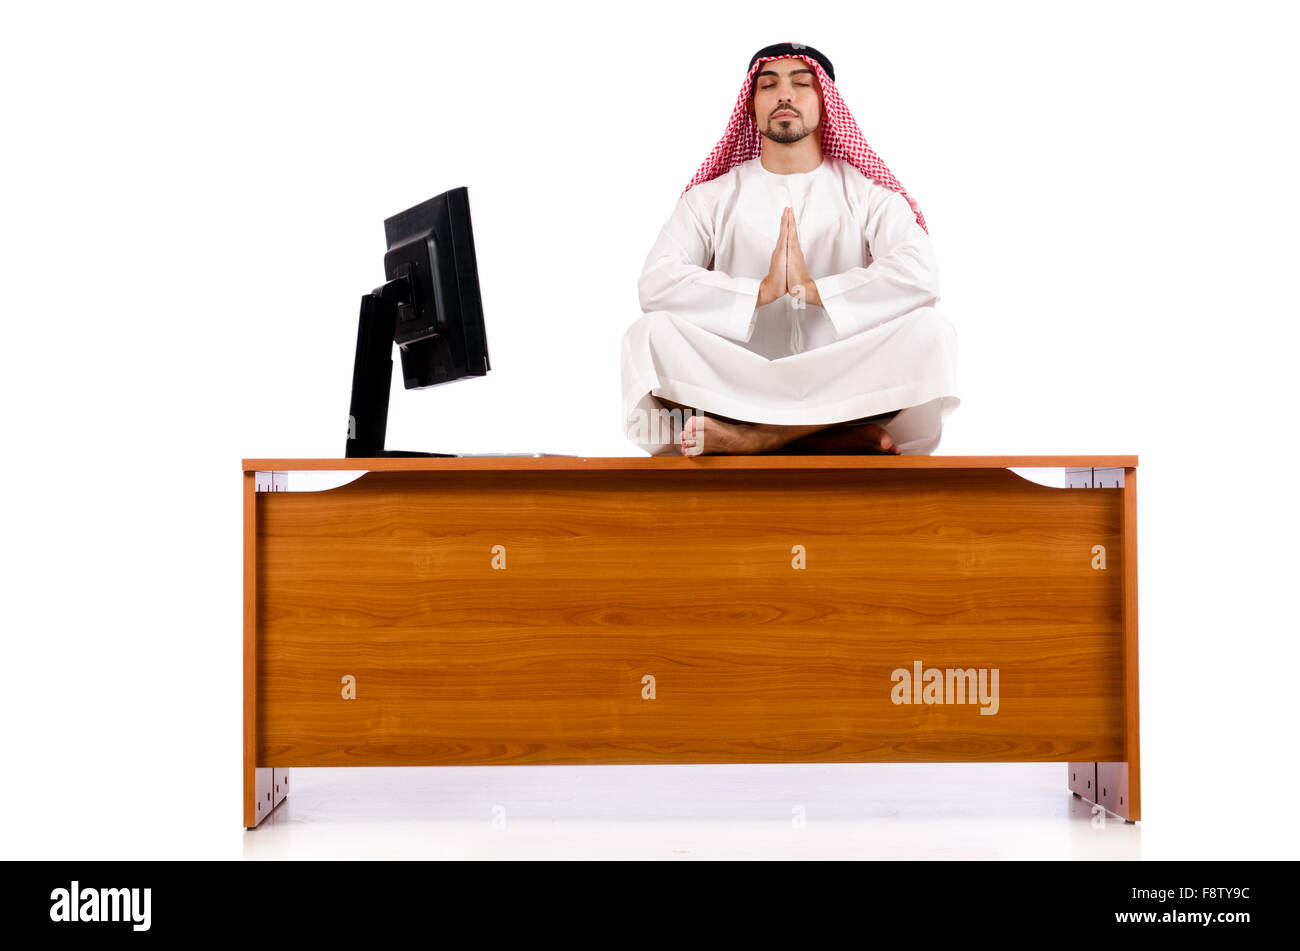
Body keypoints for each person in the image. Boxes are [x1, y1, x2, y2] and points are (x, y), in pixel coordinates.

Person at [620, 41, 960, 456]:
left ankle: (758, 439)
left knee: (932, 332)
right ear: (752, 106)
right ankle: (828, 436)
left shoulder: (868, 195)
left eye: (802, 83)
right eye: (769, 84)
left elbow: (921, 274)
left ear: (826, 104)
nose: (785, 94)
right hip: (738, 382)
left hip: (840, 375)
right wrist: (757, 294)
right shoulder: (711, 198)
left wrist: (816, 290)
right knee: (647, 336)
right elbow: (655, 283)